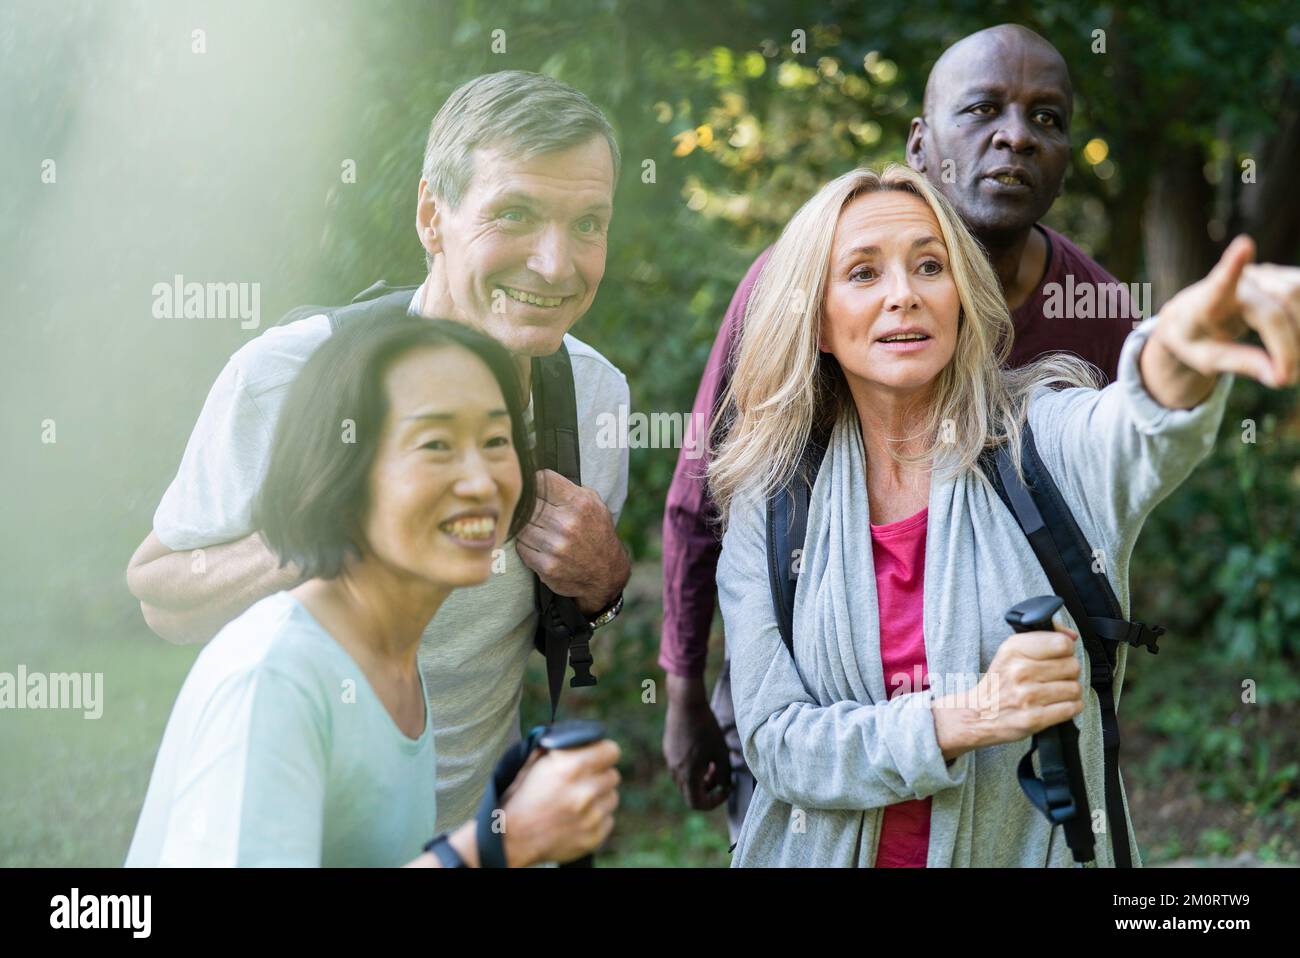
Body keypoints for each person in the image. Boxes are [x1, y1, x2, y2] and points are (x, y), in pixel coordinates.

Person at [709, 163, 1298, 866]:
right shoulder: (773, 497)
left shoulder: (1039, 447)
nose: (904, 295)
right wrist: (968, 717)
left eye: (930, 265)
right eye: (863, 274)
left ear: (960, 293)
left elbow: (1135, 425)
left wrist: (1182, 345)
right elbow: (776, 742)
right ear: (819, 323)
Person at [661, 24, 1140, 838]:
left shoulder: (1093, 316)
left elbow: (1124, 481)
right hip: (814, 692)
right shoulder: (797, 281)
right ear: (921, 143)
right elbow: (706, 493)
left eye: (1047, 120)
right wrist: (684, 687)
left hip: (1009, 762)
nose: (1016, 135)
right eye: (983, 109)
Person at [125, 71, 631, 831]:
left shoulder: (592, 397)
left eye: (588, 223)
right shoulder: (287, 378)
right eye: (516, 213)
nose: (557, 265)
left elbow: (560, 621)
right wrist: (324, 533)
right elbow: (160, 594)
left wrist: (603, 577)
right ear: (433, 215)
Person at [126, 318, 621, 867]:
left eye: (496, 440)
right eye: (436, 443)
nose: (482, 481)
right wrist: (499, 844)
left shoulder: (389, 655)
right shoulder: (276, 676)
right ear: (339, 475)